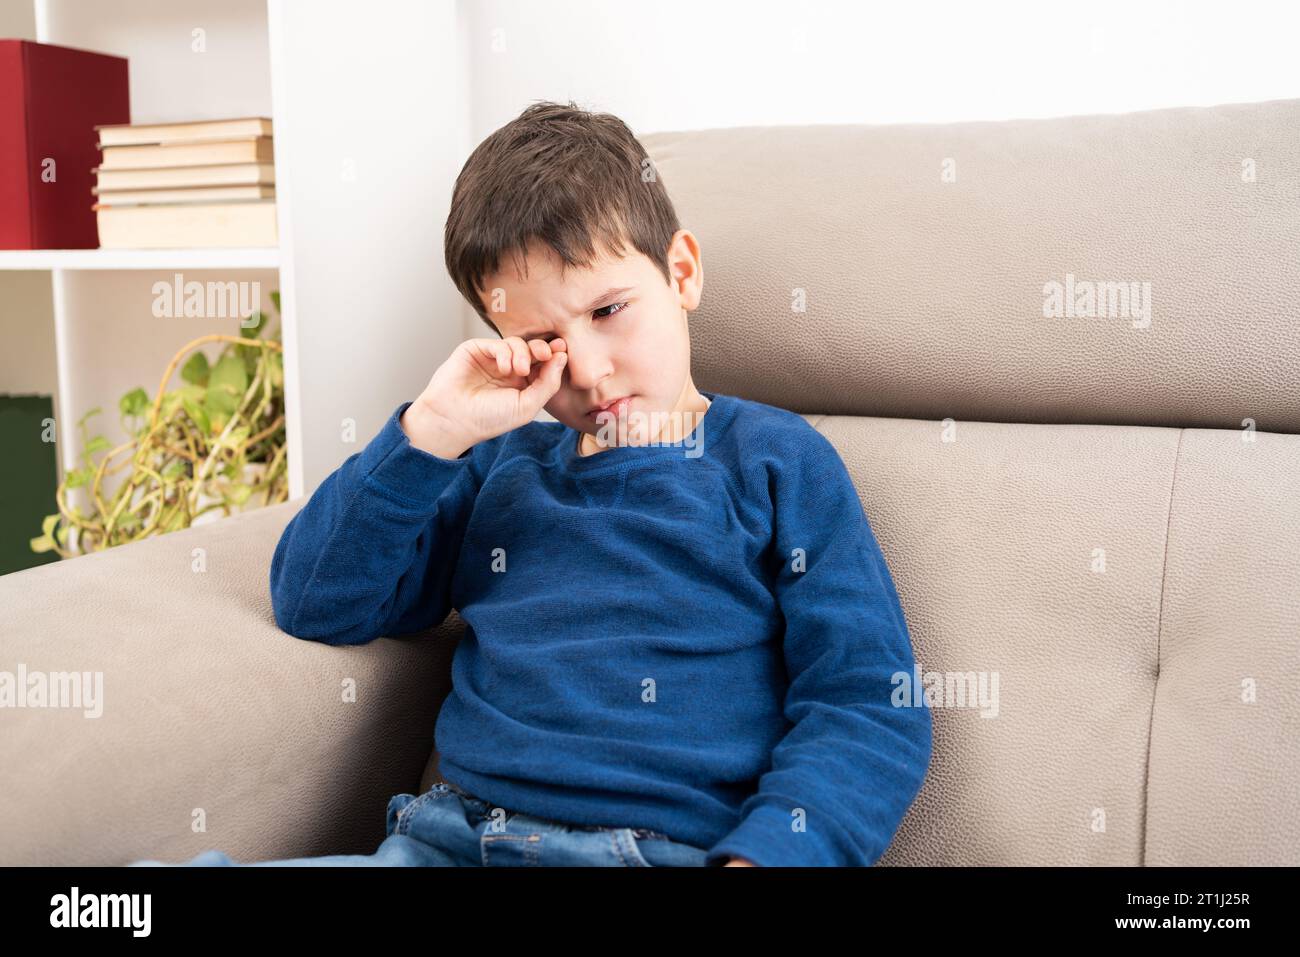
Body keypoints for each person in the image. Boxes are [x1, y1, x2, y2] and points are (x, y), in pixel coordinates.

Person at [133, 100, 931, 867]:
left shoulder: (775, 462)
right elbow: (316, 600)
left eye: (610, 309)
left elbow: (868, 703)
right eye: (543, 340)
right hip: (444, 843)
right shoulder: (498, 466)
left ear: (681, 271)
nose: (586, 368)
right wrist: (431, 433)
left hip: (655, 851)